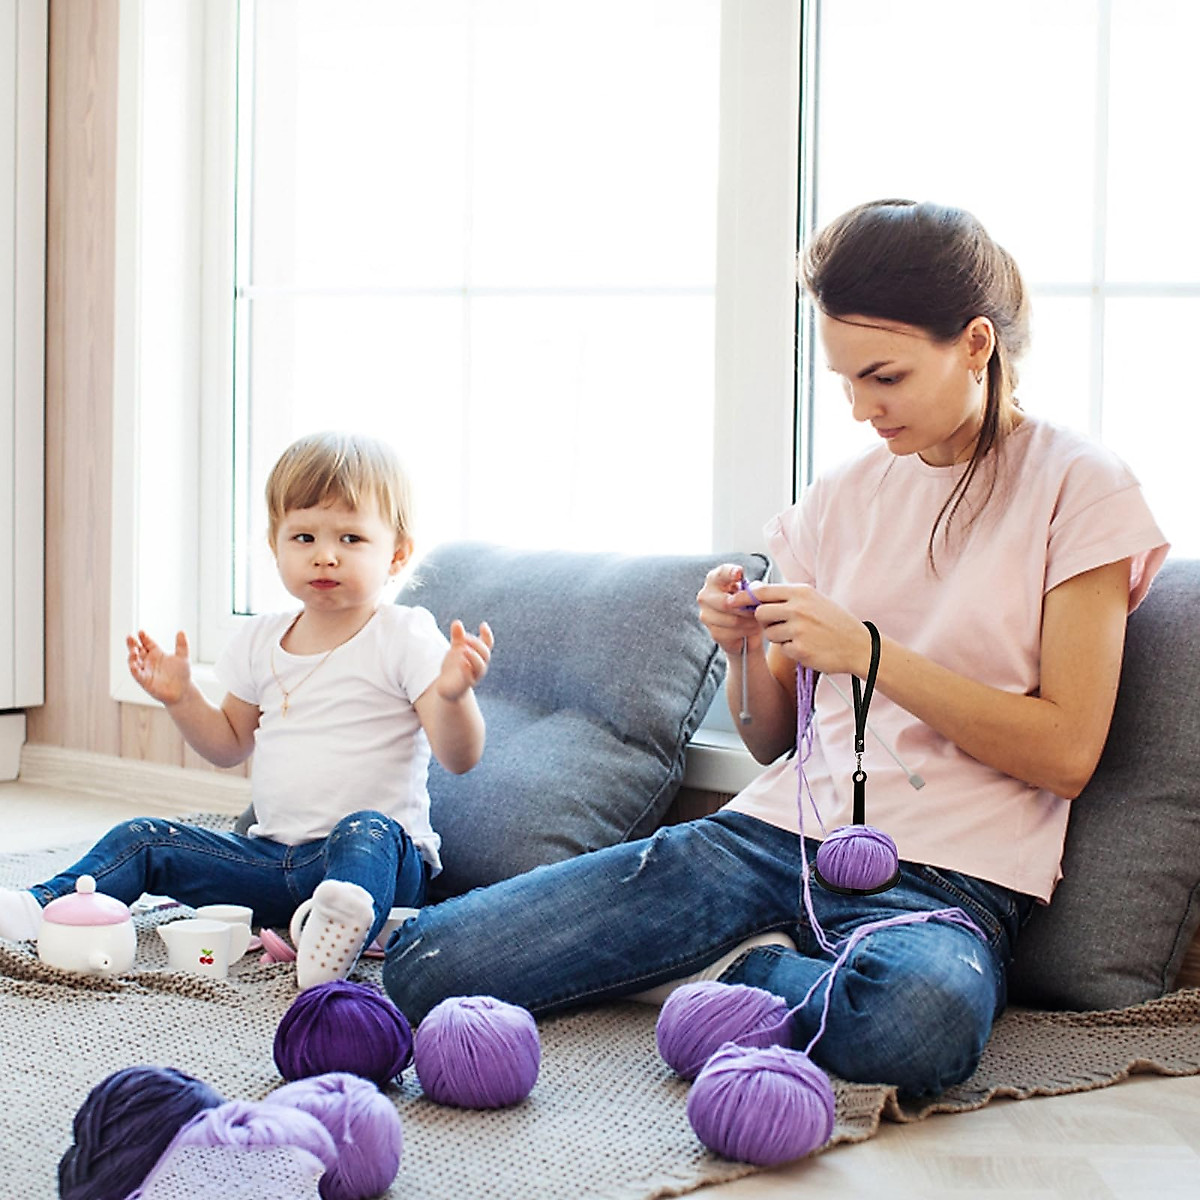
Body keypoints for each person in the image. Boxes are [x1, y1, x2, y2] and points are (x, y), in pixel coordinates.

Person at [387, 197, 1171, 1097]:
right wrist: (741, 650)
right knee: (428, 963)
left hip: (950, 879)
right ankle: (753, 960)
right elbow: (772, 743)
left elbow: (1067, 753)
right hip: (766, 840)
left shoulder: (1080, 486)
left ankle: (745, 968)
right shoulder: (841, 495)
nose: (862, 409)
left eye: (885, 377)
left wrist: (869, 652)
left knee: (914, 1026)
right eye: (844, 381)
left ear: (975, 344)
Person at [0, 431, 494, 990]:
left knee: (367, 829)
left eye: (351, 538)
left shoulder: (403, 634)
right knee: (143, 837)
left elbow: (460, 757)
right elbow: (227, 744)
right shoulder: (260, 639)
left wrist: (454, 695)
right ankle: (44, 906)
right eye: (303, 536)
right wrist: (182, 698)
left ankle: (339, 929)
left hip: (377, 862)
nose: (324, 554)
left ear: (397, 554)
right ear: (275, 545)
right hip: (274, 863)